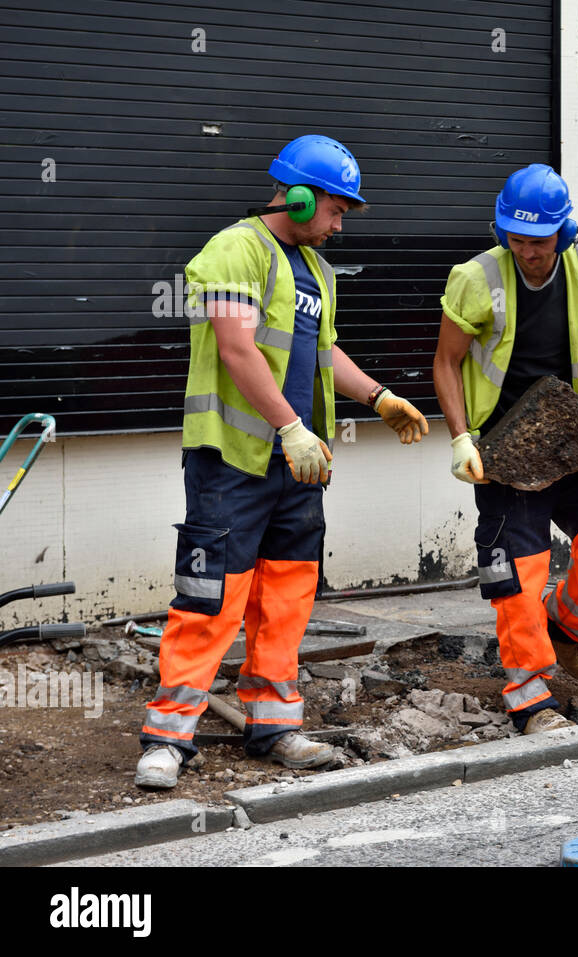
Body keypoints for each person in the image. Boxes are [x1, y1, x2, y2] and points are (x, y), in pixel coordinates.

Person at [135, 135, 430, 789]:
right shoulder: (236, 248)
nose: (341, 220)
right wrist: (291, 427)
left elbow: (322, 353)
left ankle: (273, 724)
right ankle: (166, 737)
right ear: (298, 195)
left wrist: (379, 397)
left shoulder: (318, 273)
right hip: (232, 460)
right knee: (210, 598)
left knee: (287, 596)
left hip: (296, 467)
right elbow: (238, 350)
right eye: (336, 207)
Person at [432, 163, 578, 734]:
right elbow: (446, 361)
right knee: (519, 569)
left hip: (565, 431)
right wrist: (460, 437)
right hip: (500, 444)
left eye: (539, 242)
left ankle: (565, 632)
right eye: (516, 240)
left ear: (565, 234)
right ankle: (529, 697)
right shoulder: (475, 279)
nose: (528, 252)